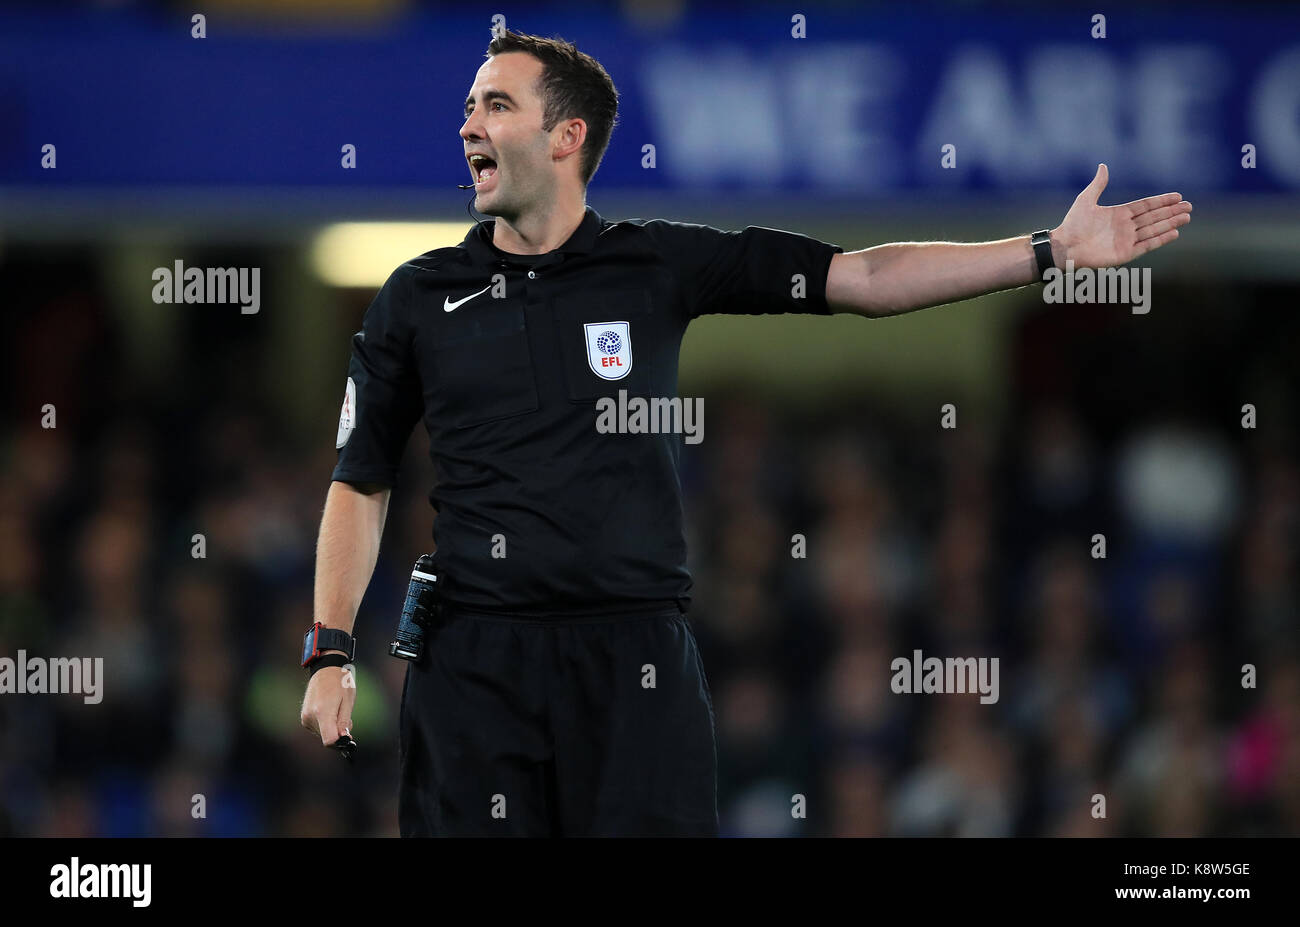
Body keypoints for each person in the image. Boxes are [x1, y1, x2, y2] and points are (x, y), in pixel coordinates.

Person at [299, 29, 1192, 836]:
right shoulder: (416, 297)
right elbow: (360, 476)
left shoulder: (656, 266)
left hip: (633, 660)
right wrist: (330, 649)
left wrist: (1045, 252)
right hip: (474, 660)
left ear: (567, 137)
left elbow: (866, 277)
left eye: (496, 105)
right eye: (468, 107)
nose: (470, 126)